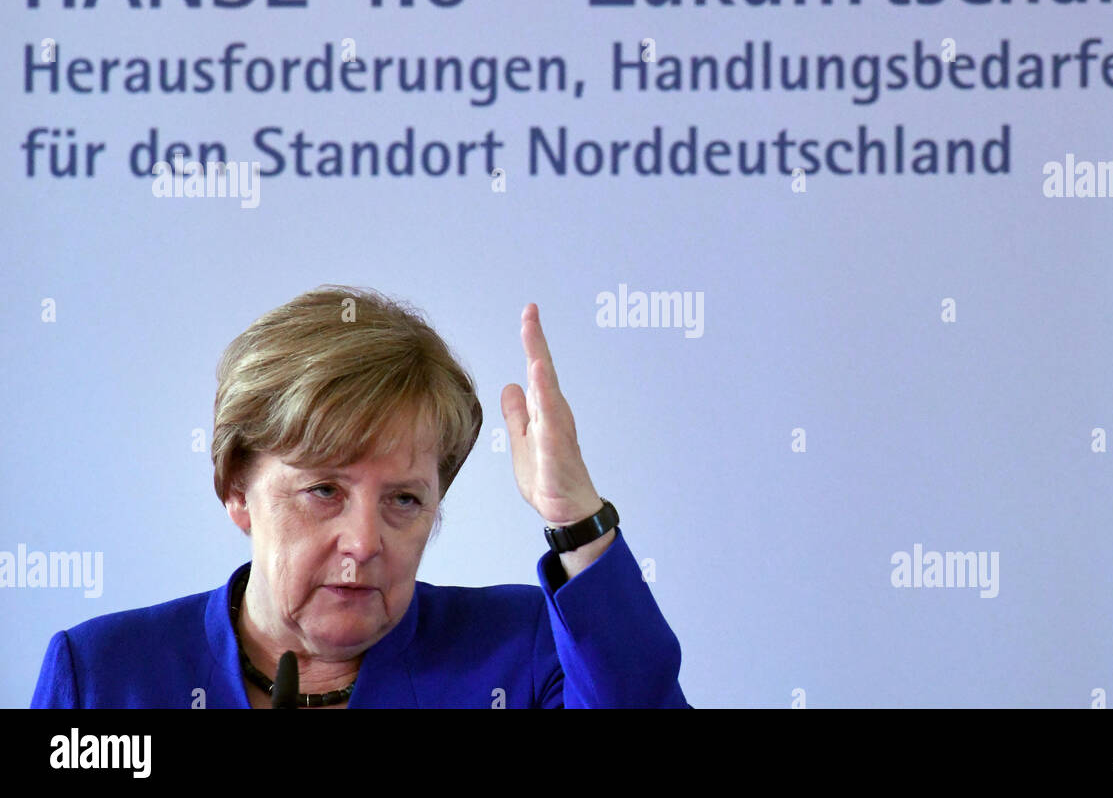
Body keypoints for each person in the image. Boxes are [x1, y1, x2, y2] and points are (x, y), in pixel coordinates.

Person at [31, 286, 689, 708]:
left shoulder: (524, 651)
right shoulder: (102, 676)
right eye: (324, 490)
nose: (365, 543)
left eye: (403, 500)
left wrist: (576, 520)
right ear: (237, 490)